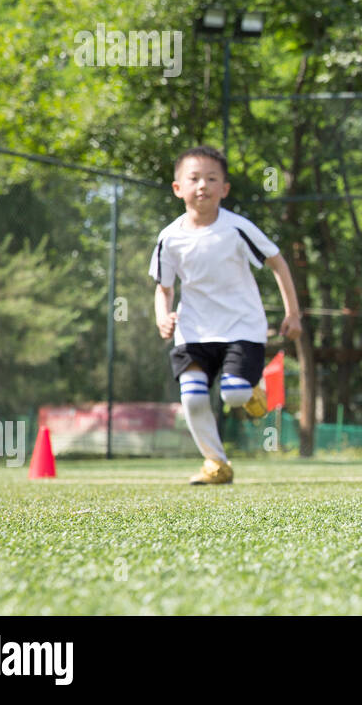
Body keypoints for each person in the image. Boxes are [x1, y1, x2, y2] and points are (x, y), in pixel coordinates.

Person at [151, 145, 302, 485]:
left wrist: (293, 313)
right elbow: (164, 286)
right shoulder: (169, 238)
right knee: (191, 397)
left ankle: (251, 391)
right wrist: (163, 315)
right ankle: (216, 463)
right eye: (194, 178)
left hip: (241, 327)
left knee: (233, 393)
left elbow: (277, 262)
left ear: (225, 189)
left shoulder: (237, 229)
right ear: (178, 188)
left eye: (211, 178)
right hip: (193, 331)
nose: (202, 185)